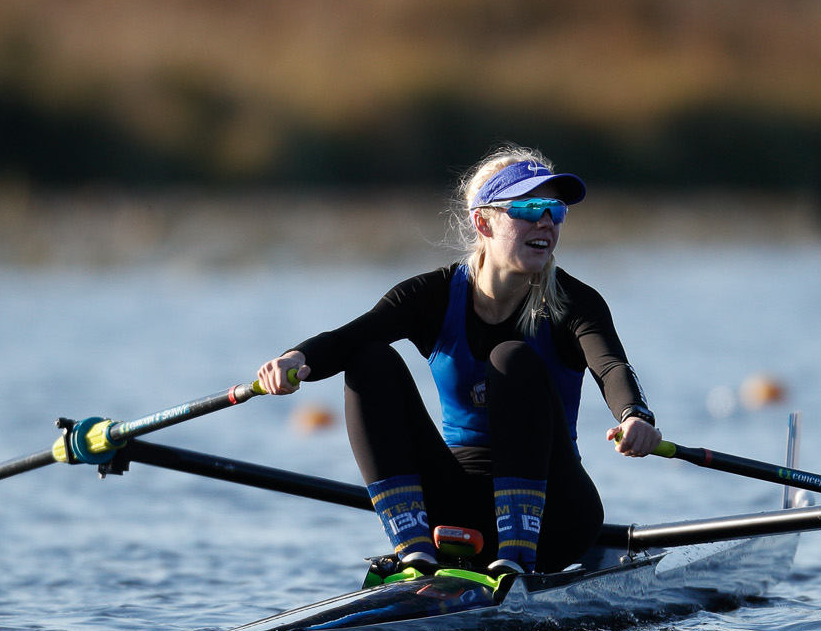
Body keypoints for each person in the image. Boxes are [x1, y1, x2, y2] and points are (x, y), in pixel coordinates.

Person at [254, 146, 660, 578]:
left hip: (557, 517)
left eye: (555, 210)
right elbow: (348, 338)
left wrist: (634, 415)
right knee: (368, 360)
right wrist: (294, 358)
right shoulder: (433, 296)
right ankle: (415, 551)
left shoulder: (576, 303)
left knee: (510, 357)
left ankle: (517, 558)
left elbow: (611, 366)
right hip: (456, 512)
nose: (545, 222)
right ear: (483, 222)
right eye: (528, 208)